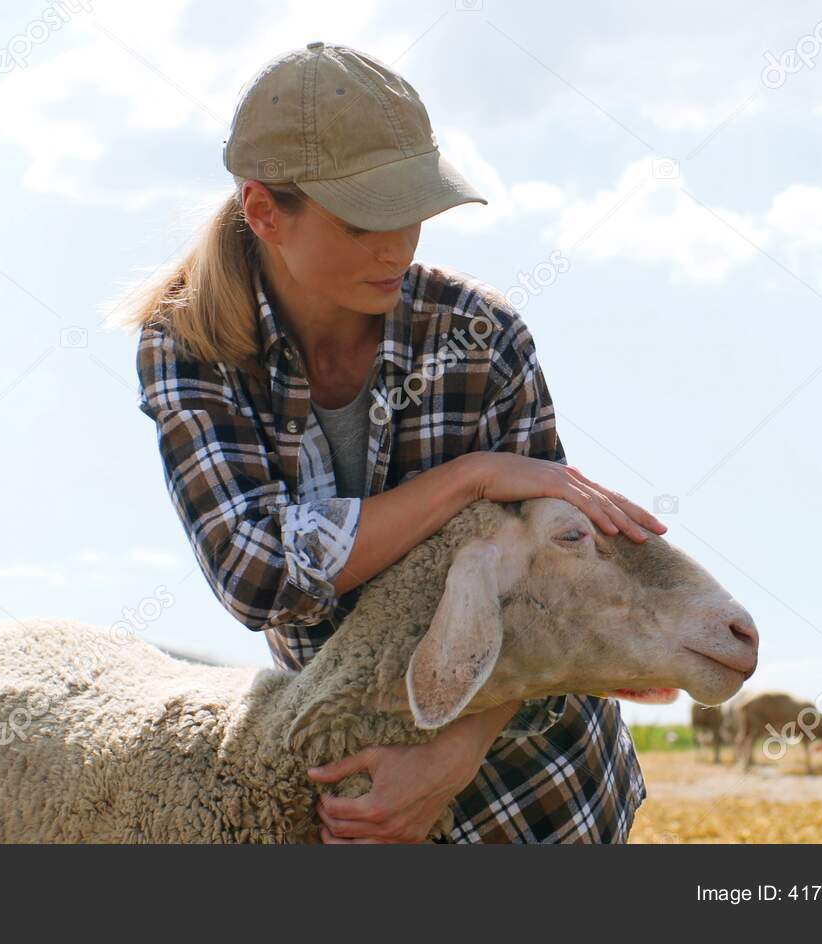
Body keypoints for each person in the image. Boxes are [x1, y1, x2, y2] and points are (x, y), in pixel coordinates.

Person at [118, 41, 664, 843]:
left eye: (410, 209)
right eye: (362, 219)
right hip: (352, 796)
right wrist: (470, 478)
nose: (398, 246)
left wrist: (454, 752)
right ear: (265, 211)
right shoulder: (189, 347)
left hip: (537, 790)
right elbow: (257, 575)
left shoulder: (480, 333)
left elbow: (550, 593)